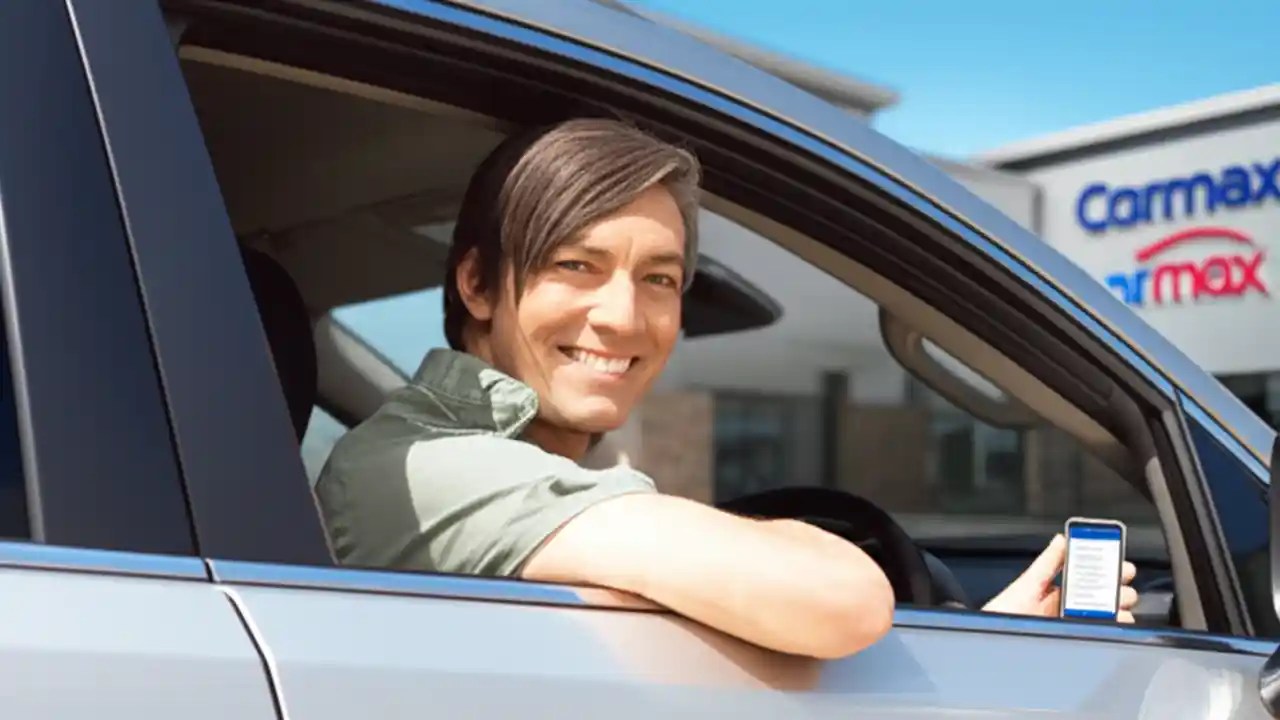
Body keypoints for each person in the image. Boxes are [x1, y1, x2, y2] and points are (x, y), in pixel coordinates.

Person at [314, 118, 1138, 659]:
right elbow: (842, 599)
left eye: (660, 279)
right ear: (479, 284)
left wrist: (985, 649)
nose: (624, 317)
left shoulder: (519, 473)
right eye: (577, 266)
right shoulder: (428, 471)